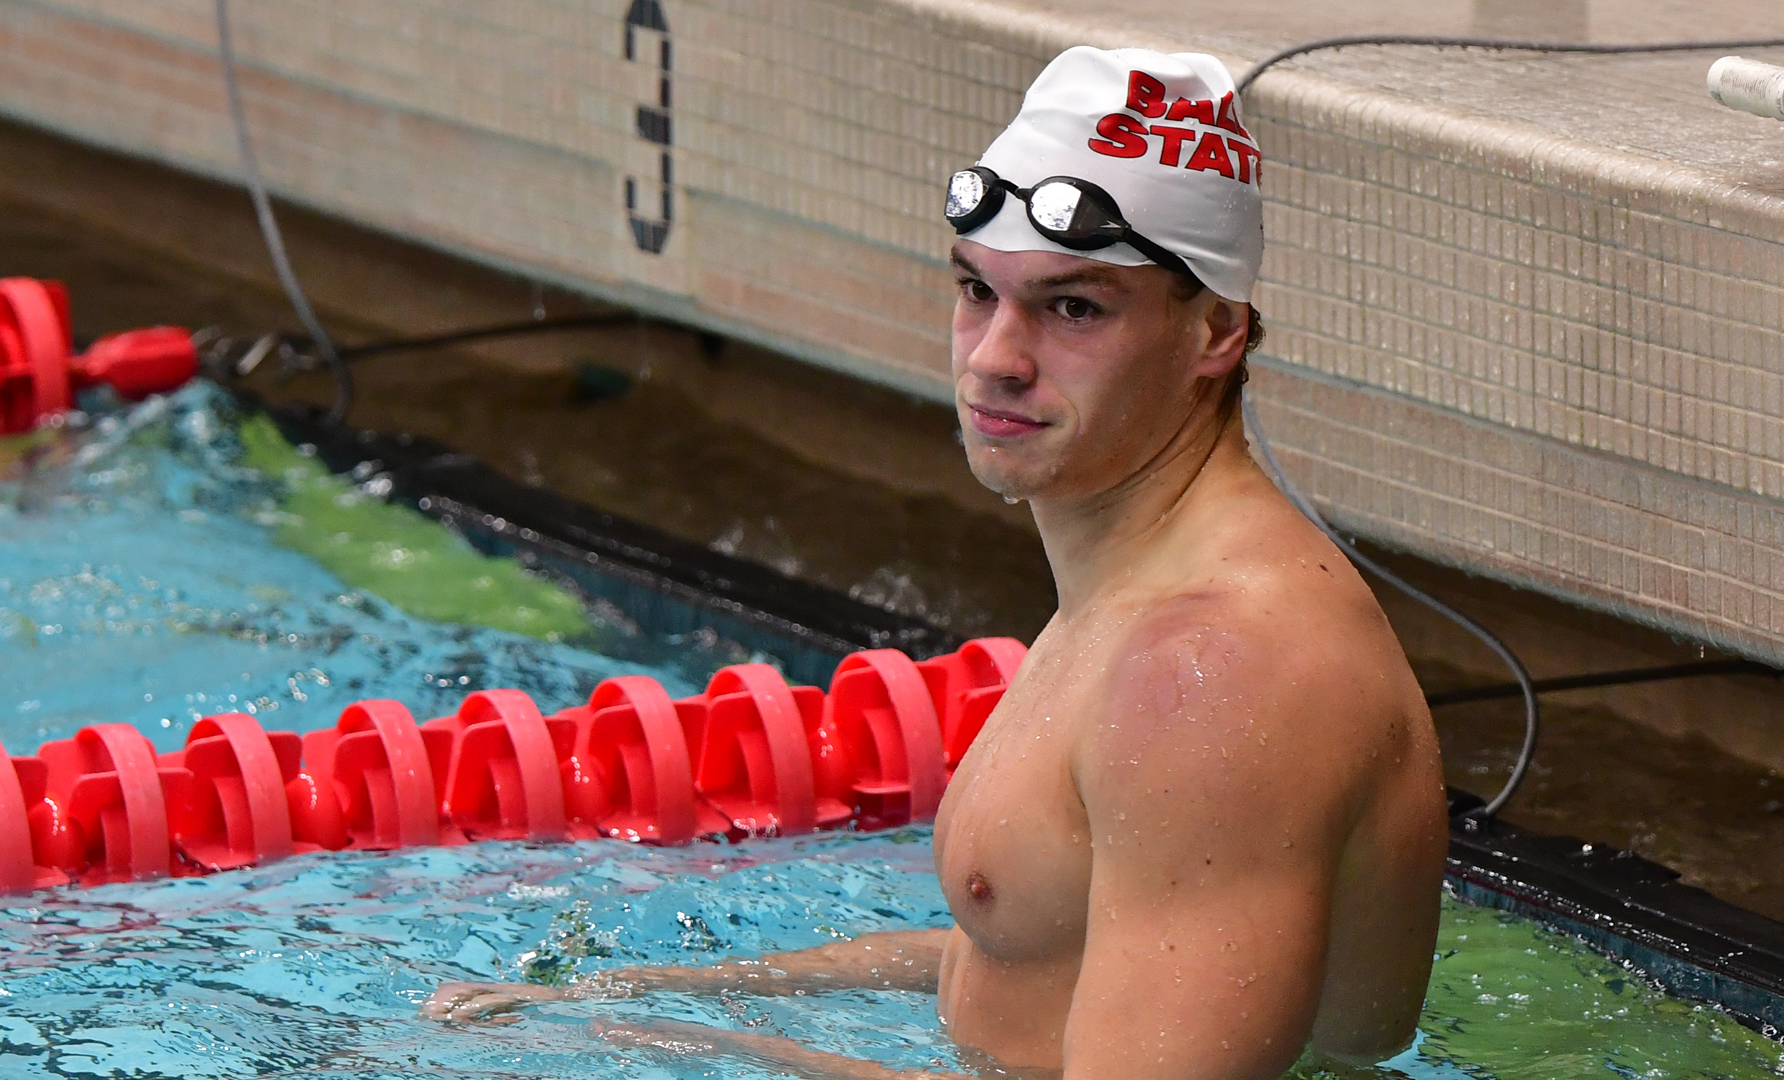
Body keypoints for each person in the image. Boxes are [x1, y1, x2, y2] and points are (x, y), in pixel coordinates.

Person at [425, 45, 1446, 1079]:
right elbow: (1048, 946)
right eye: (977, 292)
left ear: (1214, 332)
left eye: (1073, 308)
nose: (993, 357)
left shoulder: (1212, 676)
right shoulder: (1140, 593)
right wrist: (664, 992)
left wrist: (676, 1051)